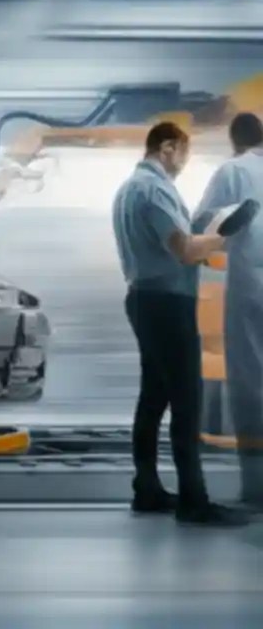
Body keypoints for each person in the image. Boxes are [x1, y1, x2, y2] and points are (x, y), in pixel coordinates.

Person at [112, 121, 249, 526]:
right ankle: (194, 500)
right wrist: (227, 234)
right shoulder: (153, 189)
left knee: (153, 398)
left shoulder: (127, 189)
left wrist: (204, 241)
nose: (183, 163)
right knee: (187, 401)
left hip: (144, 298)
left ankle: (147, 489)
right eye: (183, 154)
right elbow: (184, 250)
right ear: (168, 147)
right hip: (166, 303)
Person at [194, 112, 263, 511]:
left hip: (251, 285)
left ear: (236, 140)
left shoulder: (234, 169)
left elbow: (201, 220)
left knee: (250, 383)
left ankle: (256, 490)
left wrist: (207, 246)